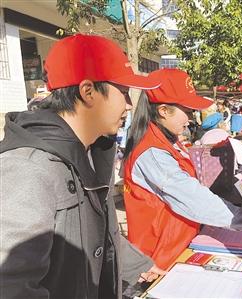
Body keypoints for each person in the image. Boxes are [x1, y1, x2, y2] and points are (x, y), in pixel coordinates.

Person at [0, 34, 165, 299]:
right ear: (88, 91)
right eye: (123, 92)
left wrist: (139, 267)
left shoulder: (92, 151)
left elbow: (97, 233)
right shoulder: (27, 168)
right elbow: (10, 285)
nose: (130, 105)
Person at [123, 68, 242, 271]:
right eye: (188, 111)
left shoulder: (168, 140)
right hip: (160, 257)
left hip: (178, 247)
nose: (191, 118)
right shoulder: (152, 153)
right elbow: (191, 196)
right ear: (163, 111)